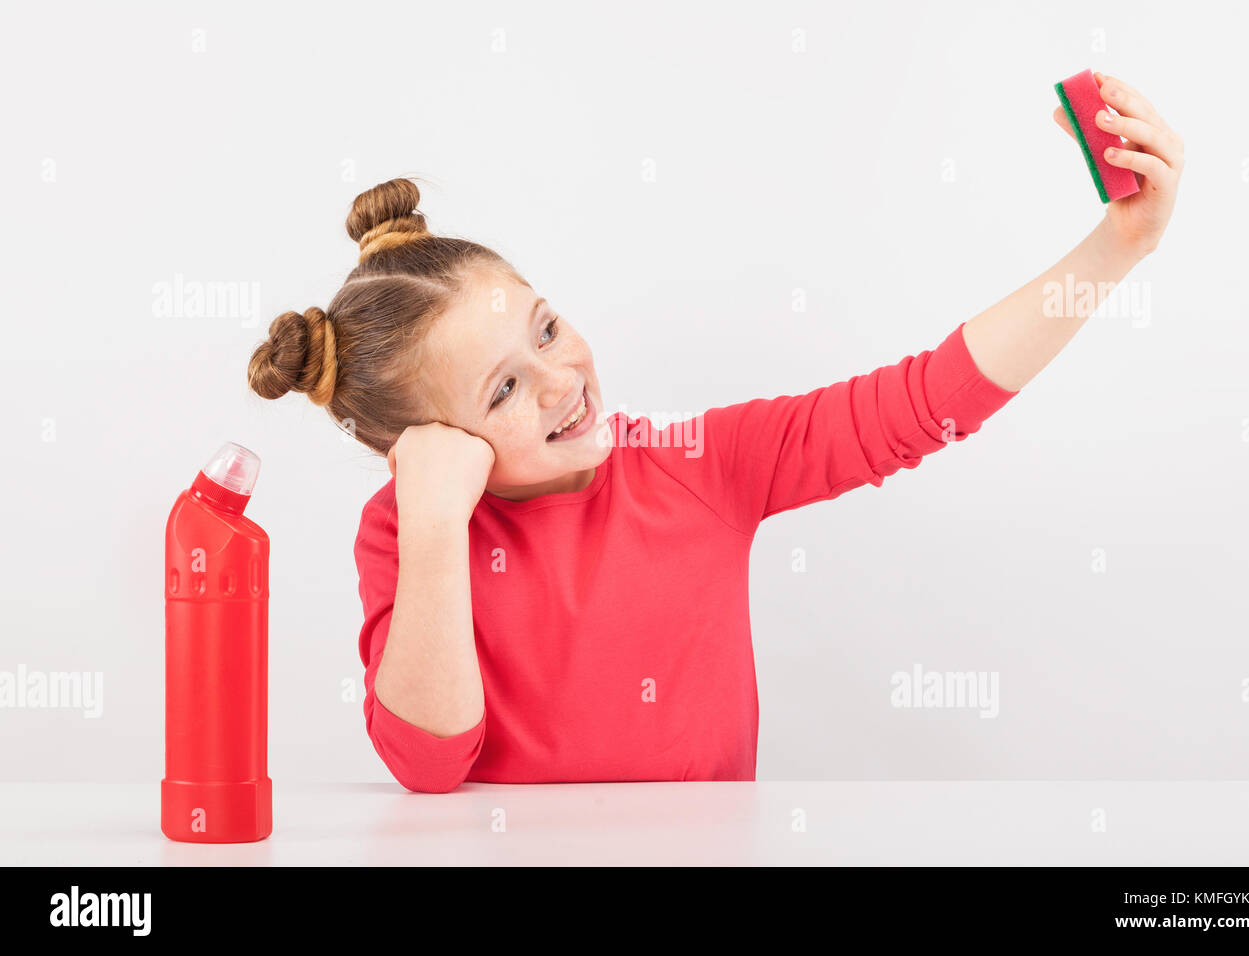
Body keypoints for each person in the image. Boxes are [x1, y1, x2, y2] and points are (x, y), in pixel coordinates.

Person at [247, 72, 1182, 792]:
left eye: (545, 328)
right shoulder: (405, 533)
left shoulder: (700, 466)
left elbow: (921, 402)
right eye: (501, 391)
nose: (560, 380)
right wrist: (436, 523)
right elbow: (429, 761)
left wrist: (1117, 247)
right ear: (421, 449)